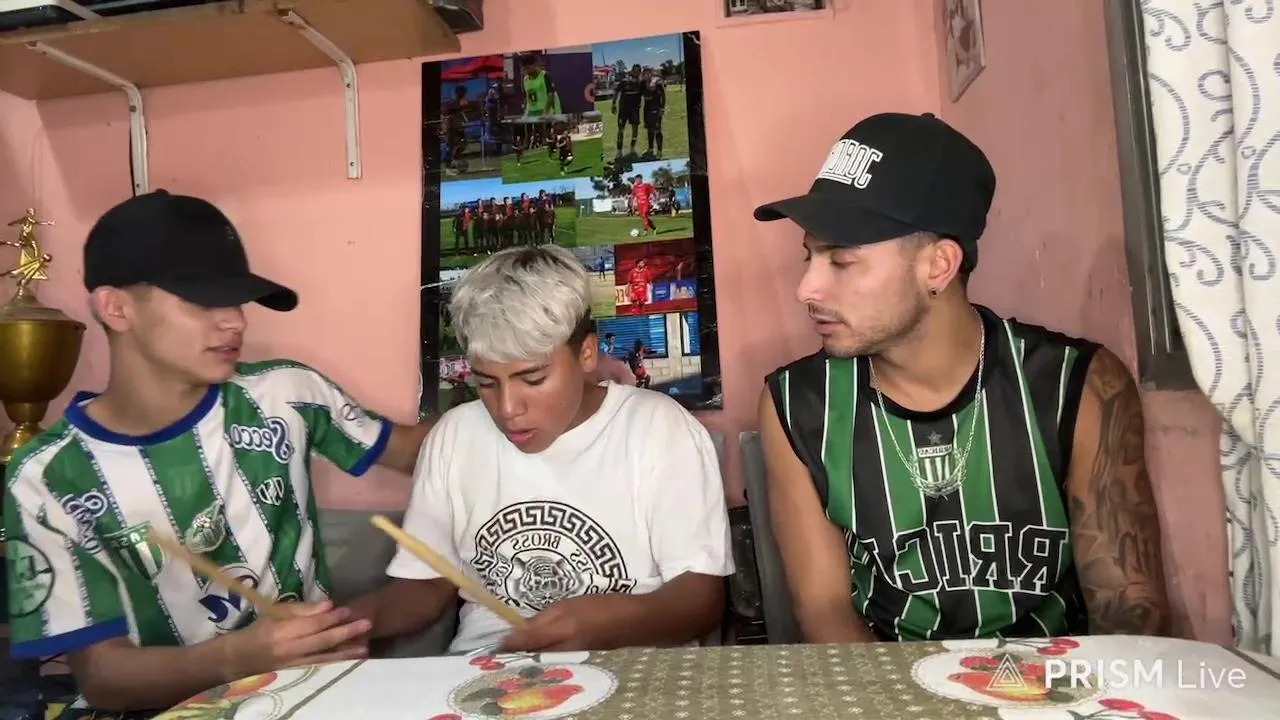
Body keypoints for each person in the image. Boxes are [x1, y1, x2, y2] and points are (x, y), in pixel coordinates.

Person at [3, 191, 434, 711]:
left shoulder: (286, 395)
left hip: (311, 698)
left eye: (237, 301)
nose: (236, 321)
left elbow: (425, 453)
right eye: (204, 301)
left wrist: (512, 388)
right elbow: (103, 678)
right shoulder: (47, 477)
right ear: (116, 308)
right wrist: (239, 657)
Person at [753, 113, 1170, 643]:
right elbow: (826, 613)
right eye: (809, 258)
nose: (806, 289)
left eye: (842, 262)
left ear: (938, 266)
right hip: (885, 683)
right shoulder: (798, 404)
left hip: (1056, 680)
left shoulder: (1078, 385)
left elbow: (1129, 614)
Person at [349, 245, 732, 652]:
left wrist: (613, 622)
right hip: (488, 669)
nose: (507, 409)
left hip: (633, 670)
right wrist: (335, 626)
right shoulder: (455, 435)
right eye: (486, 383)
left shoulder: (659, 428)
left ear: (586, 354)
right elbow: (424, 588)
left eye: (532, 379)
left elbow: (701, 599)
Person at [612, 64, 644, 159]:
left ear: (640, 72)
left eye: (638, 71)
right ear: (632, 71)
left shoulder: (641, 83)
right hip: (623, 110)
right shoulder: (624, 81)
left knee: (635, 129)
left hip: (634, 110)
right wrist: (613, 104)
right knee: (621, 130)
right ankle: (619, 151)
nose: (636, 72)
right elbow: (616, 92)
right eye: (635, 70)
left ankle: (632, 148)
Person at [641, 67, 666, 158]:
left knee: (657, 129)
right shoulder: (643, 83)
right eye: (645, 73)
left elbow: (663, 96)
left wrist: (662, 108)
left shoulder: (657, 82)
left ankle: (659, 151)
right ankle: (650, 149)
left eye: (648, 73)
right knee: (649, 129)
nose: (646, 75)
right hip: (647, 109)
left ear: (651, 73)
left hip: (656, 108)